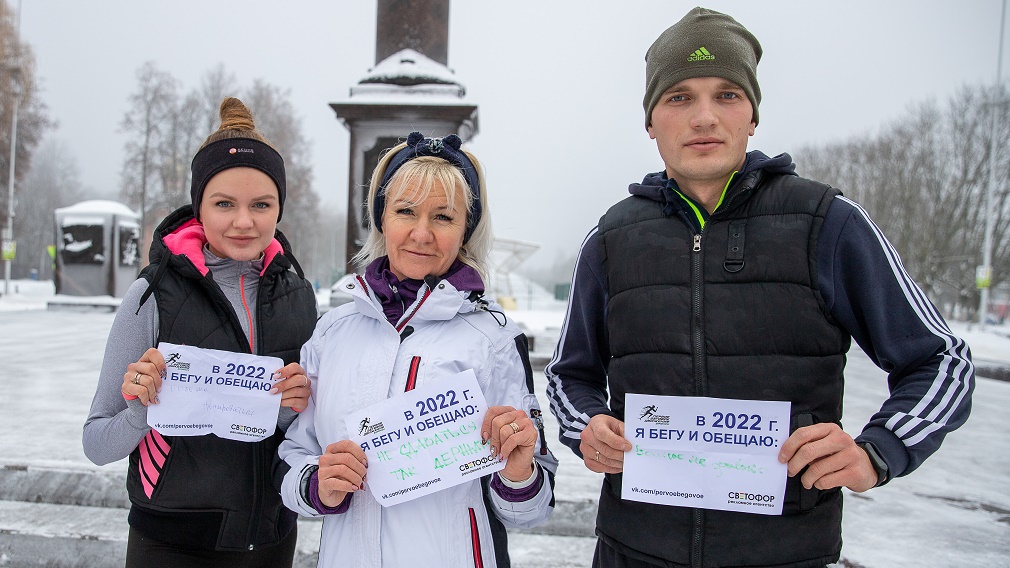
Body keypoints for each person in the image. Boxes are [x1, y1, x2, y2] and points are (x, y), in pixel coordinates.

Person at [545, 7, 974, 568]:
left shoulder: (827, 223)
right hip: (632, 552)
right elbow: (569, 375)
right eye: (678, 98)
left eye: (726, 95)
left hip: (786, 554)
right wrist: (586, 427)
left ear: (752, 116)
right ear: (650, 121)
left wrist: (877, 452)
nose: (704, 117)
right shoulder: (611, 239)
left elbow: (942, 360)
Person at [277, 132, 558, 568]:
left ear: (466, 228)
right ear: (381, 218)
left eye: (443, 217)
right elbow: (295, 455)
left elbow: (529, 511)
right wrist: (319, 484)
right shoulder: (332, 333)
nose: (421, 233)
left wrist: (519, 472)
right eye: (405, 211)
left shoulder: (493, 341)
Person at [83, 97, 318, 567]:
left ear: (279, 209)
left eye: (261, 204)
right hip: (171, 543)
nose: (243, 221)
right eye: (224, 203)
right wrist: (138, 411)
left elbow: (293, 431)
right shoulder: (151, 297)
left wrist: (294, 408)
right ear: (199, 206)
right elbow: (96, 443)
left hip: (269, 538)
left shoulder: (299, 298)